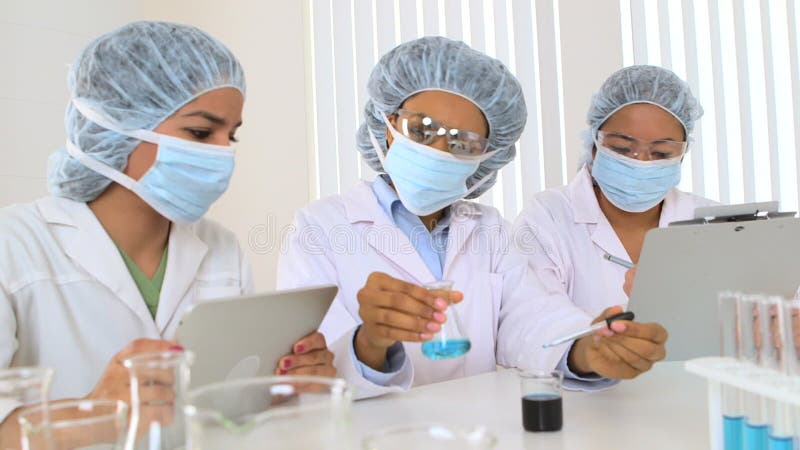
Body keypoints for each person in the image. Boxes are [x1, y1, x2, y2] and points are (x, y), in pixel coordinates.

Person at [0, 21, 334, 444]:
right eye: (199, 132)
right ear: (116, 124)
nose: (223, 154)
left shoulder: (220, 249)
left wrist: (284, 388)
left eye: (230, 135)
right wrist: (97, 411)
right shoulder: (13, 245)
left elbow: (228, 412)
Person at [278, 37, 667, 399]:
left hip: (476, 429)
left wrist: (587, 349)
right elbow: (309, 369)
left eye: (463, 143)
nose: (440, 151)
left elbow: (532, 319)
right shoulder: (320, 227)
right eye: (423, 130)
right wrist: (370, 342)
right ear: (388, 125)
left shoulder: (490, 229)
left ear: (486, 158)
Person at [513, 65, 718, 319]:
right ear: (595, 145)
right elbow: (535, 322)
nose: (640, 161)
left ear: (682, 155)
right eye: (622, 148)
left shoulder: (711, 222)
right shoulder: (548, 216)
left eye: (661, 153)